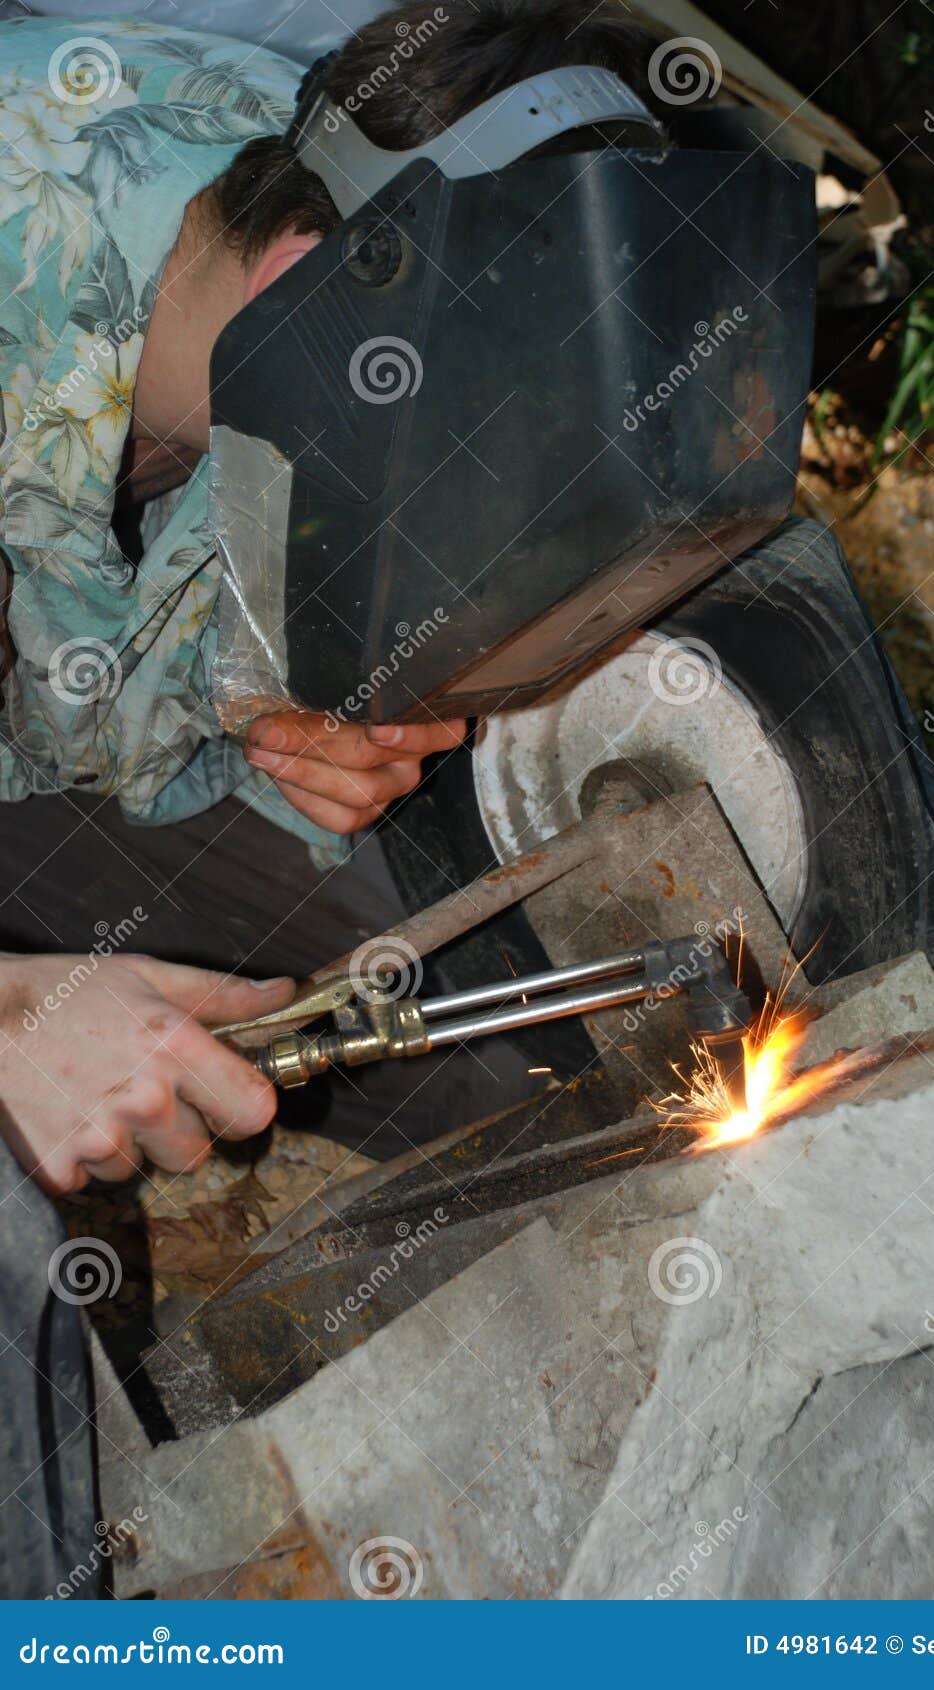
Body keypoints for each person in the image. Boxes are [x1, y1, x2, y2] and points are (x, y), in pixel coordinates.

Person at [0, 0, 669, 1594]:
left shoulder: (354, 249)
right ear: (301, 282)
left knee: (558, 1077)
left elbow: (134, 685)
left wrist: (287, 728)